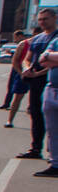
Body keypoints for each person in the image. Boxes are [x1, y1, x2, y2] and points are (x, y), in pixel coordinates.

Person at [17, 8, 57, 161]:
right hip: (35, 81)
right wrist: (27, 68)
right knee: (35, 113)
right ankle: (35, 148)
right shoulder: (37, 38)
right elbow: (27, 58)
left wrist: (39, 73)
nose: (42, 22)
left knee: (52, 117)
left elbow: (53, 62)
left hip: (50, 80)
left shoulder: (56, 38)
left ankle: (52, 152)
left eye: (45, 19)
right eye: (40, 20)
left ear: (54, 18)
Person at [1, 29, 32, 126]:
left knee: (38, 98)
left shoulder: (48, 43)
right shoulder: (24, 44)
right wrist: (21, 72)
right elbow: (15, 60)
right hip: (23, 73)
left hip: (38, 75)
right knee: (18, 96)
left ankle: (35, 120)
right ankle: (10, 120)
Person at [36, 38, 58, 177]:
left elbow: (46, 58)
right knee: (53, 130)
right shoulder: (56, 41)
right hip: (52, 89)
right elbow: (41, 60)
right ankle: (55, 164)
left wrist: (49, 56)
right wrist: (47, 56)